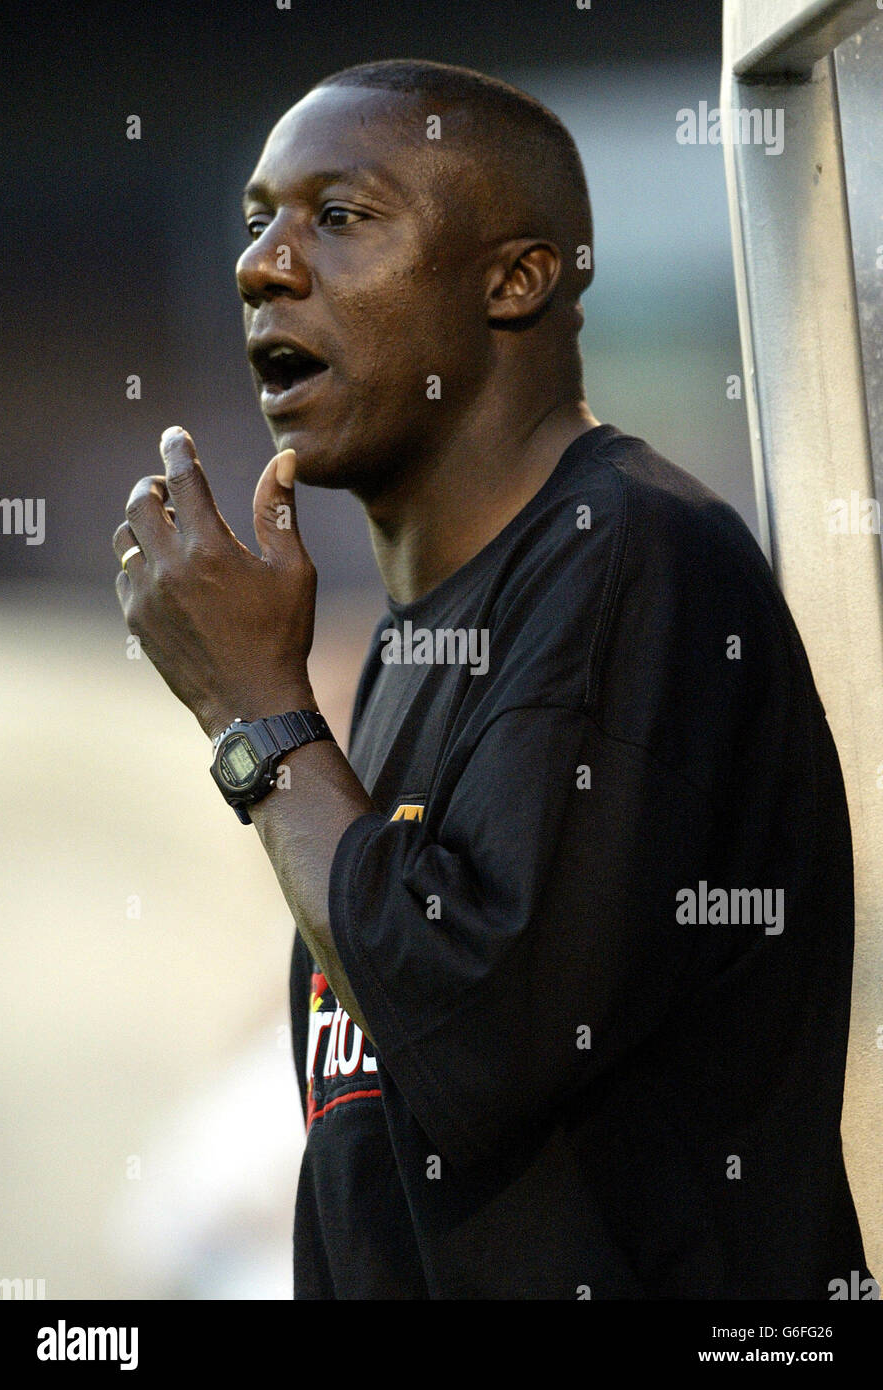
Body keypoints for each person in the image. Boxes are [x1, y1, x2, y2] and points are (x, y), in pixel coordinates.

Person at [113, 59, 872, 1300]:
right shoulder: (423, 647)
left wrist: (250, 714)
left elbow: (475, 1030)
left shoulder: (632, 553)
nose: (264, 265)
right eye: (257, 221)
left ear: (514, 281)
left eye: (338, 217)